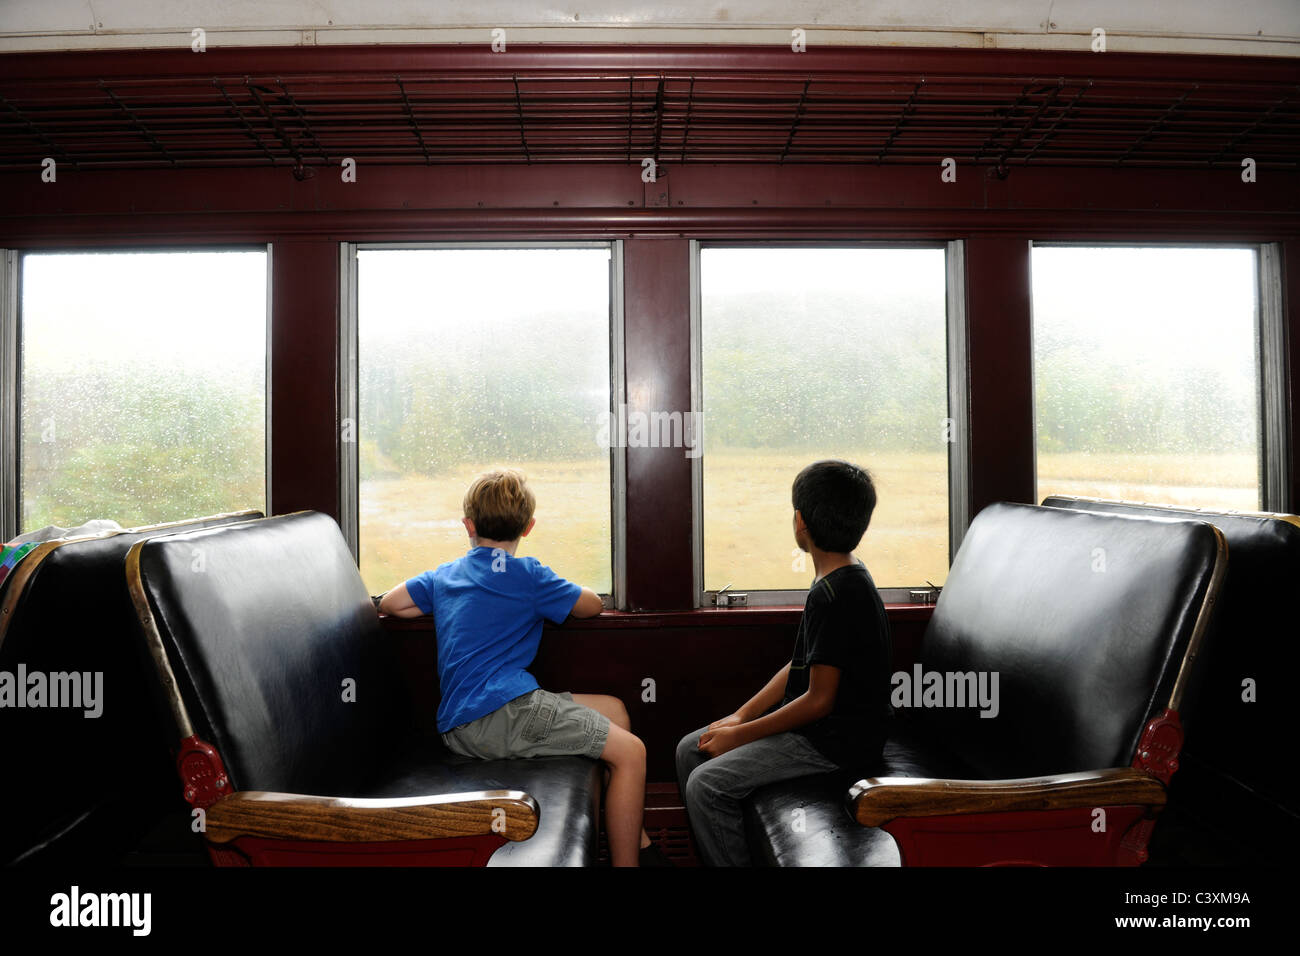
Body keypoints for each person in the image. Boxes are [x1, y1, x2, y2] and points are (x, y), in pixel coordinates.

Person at [378, 467, 669, 867]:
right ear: (528, 527)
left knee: (614, 710)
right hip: (506, 715)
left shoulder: (446, 575)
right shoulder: (529, 576)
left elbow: (392, 603)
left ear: (468, 525)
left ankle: (629, 836)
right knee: (632, 753)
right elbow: (591, 605)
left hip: (460, 724)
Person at [674, 459, 893, 866]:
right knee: (691, 748)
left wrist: (739, 737)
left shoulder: (835, 595)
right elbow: (801, 665)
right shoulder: (840, 577)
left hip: (834, 744)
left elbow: (818, 701)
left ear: (799, 522)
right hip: (821, 731)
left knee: (706, 785)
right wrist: (740, 716)